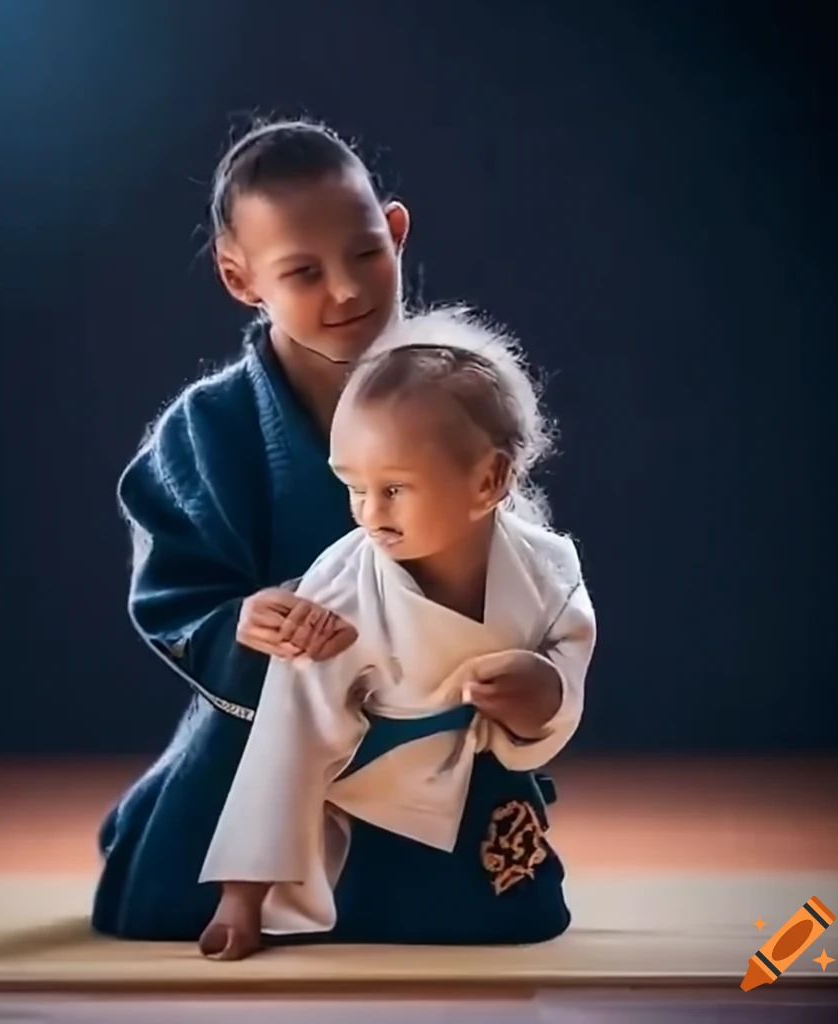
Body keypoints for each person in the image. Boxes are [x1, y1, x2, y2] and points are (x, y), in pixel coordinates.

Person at [91, 118, 581, 943]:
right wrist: (243, 620)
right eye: (303, 271)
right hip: (277, 723)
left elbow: (520, 567)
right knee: (163, 898)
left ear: (395, 230)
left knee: (494, 910)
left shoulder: (456, 395)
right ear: (240, 276)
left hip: (429, 722)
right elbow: (179, 586)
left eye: (364, 254)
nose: (347, 290)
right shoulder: (209, 429)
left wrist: (535, 690)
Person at [197, 308, 596, 960]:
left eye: (395, 489)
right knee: (385, 916)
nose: (367, 513)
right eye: (354, 487)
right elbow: (285, 742)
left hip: (490, 789)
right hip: (379, 808)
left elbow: (568, 659)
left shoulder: (546, 566)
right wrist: (241, 897)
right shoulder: (340, 591)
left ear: (488, 480)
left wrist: (543, 689)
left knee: (520, 916)